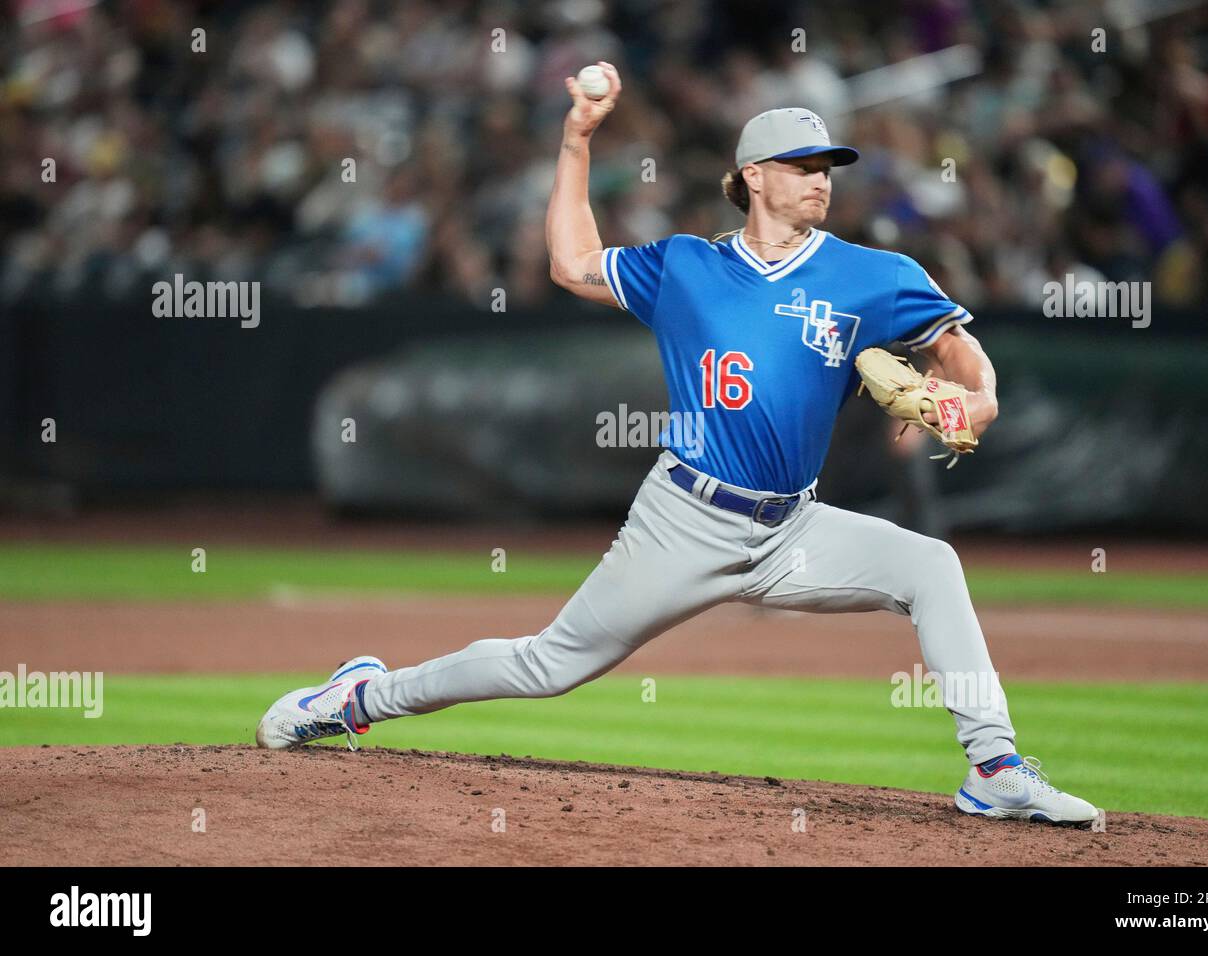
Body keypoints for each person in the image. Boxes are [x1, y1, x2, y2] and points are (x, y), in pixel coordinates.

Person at [256, 62, 1100, 826]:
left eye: (829, 169)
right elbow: (570, 260)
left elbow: (955, 346)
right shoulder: (685, 267)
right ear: (754, 178)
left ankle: (993, 767)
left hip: (793, 530)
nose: (821, 183)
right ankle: (362, 696)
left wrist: (979, 395)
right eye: (804, 167)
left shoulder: (872, 276)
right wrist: (576, 142)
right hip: (684, 519)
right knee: (547, 665)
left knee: (931, 567)